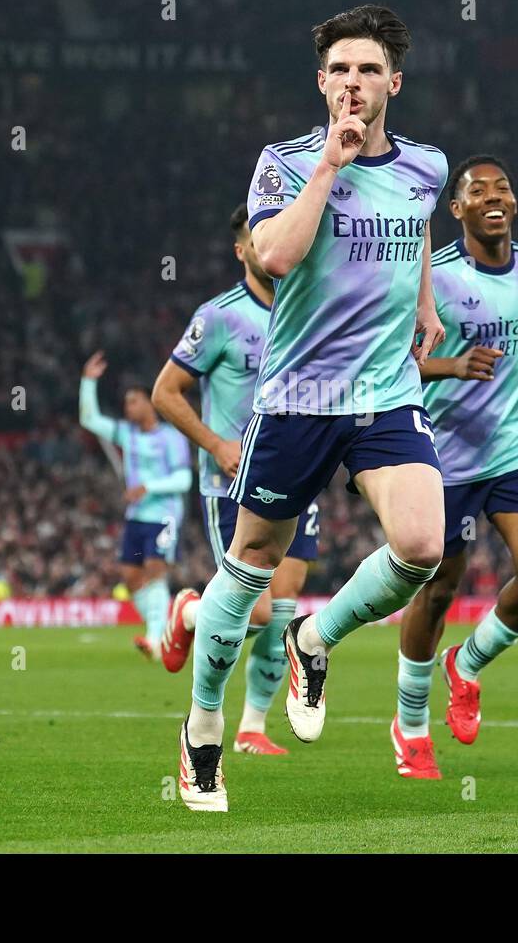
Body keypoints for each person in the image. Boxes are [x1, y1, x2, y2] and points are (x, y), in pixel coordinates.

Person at [174, 4, 449, 811]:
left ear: (393, 81)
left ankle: (314, 636)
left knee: (423, 544)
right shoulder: (284, 163)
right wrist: (331, 167)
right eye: (340, 71)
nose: (354, 84)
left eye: (369, 70)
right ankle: (199, 732)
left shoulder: (426, 164)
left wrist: (426, 301)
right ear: (321, 83)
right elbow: (276, 255)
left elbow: (417, 229)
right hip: (298, 397)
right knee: (251, 566)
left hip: (384, 393)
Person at [394, 155, 518, 778]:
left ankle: (466, 665)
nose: (494, 195)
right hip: (443, 455)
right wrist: (452, 366)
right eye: (477, 190)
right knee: (437, 588)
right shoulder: (431, 279)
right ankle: (410, 726)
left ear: (514, 202)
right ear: (457, 209)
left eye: (504, 186)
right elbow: (383, 360)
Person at [151, 203, 321, 756]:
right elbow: (165, 392)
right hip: (234, 483)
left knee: (288, 602)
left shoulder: (311, 312)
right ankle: (189, 613)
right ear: (243, 250)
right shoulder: (220, 316)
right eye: (258, 237)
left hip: (301, 473)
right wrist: (218, 444)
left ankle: (252, 726)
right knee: (261, 609)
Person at [78, 353, 191, 658]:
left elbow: (184, 480)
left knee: (155, 570)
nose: (128, 407)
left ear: (150, 402)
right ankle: (163, 629)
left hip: (164, 515)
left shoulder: (171, 436)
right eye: (126, 403)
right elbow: (89, 419)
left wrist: (148, 487)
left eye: (134, 401)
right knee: (131, 579)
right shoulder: (126, 434)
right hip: (137, 516)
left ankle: (155, 639)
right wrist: (88, 381)